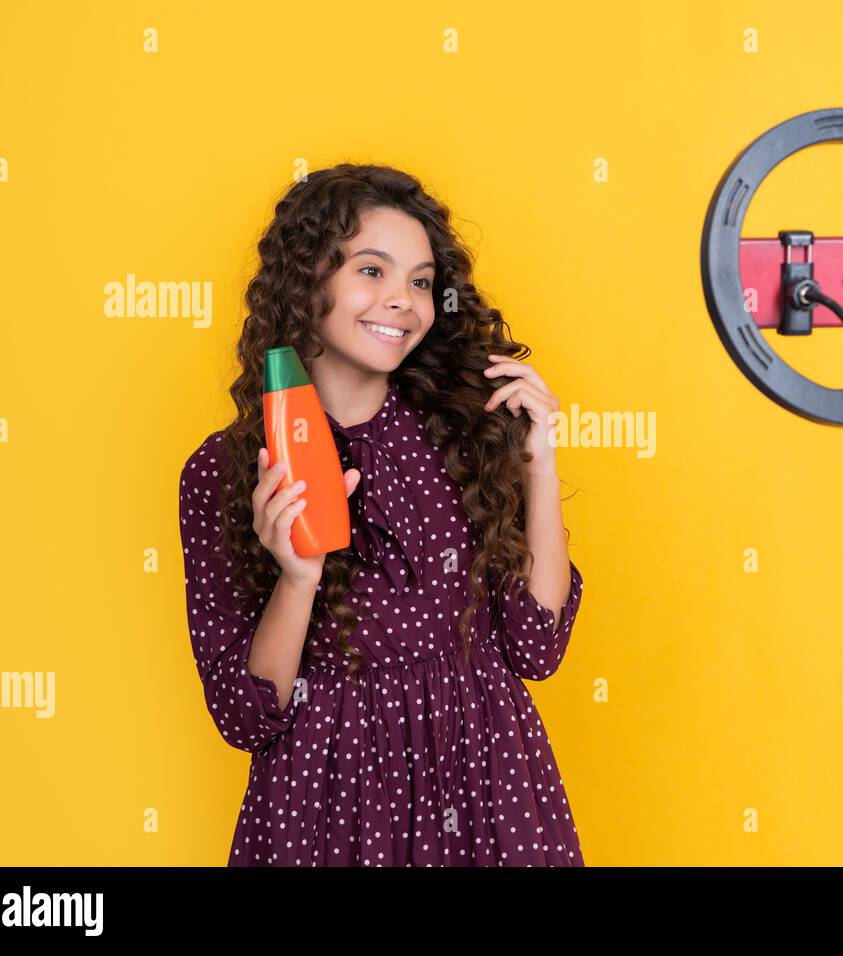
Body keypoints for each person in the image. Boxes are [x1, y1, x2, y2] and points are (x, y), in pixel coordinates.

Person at [177, 163, 585, 866]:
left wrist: (538, 466)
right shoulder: (222, 470)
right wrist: (297, 578)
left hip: (486, 785)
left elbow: (536, 649)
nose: (402, 300)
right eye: (372, 271)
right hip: (327, 799)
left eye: (421, 282)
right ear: (308, 281)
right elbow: (247, 715)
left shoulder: (467, 433)